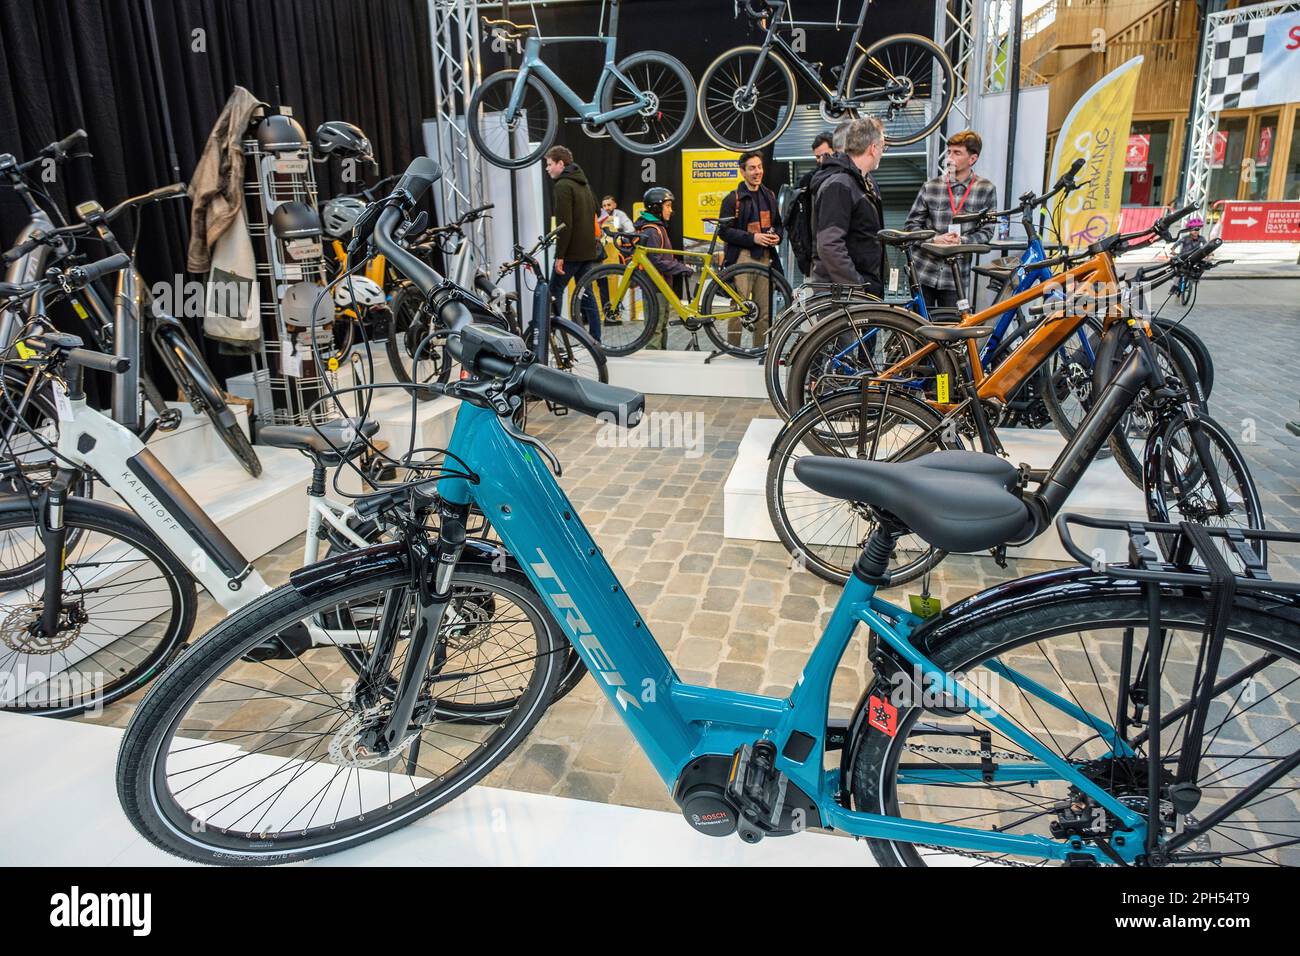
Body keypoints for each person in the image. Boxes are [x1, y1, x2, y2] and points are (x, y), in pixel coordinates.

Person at [904, 129, 998, 309]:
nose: (949, 158)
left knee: (953, 331)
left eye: (957, 153)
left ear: (972, 159)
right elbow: (910, 226)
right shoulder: (931, 187)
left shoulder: (986, 189)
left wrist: (961, 241)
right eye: (948, 152)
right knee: (919, 330)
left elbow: (987, 232)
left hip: (956, 276)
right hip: (924, 271)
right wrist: (934, 239)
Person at [809, 117, 886, 295]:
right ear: (873, 149)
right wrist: (858, 286)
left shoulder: (861, 181)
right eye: (882, 146)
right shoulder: (840, 184)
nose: (883, 152)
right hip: (843, 296)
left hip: (855, 290)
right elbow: (829, 245)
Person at [718, 150, 783, 348]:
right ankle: (734, 349)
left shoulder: (770, 196)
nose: (757, 172)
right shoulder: (732, 199)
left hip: (765, 258)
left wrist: (777, 236)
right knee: (738, 309)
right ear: (742, 172)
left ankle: (759, 350)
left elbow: (778, 223)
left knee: (764, 312)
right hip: (741, 258)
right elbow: (724, 232)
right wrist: (753, 238)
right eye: (752, 168)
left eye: (759, 167)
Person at [544, 145, 603, 337]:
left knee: (554, 291)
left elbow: (564, 224)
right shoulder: (583, 183)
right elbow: (597, 210)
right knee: (586, 293)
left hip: (572, 252)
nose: (548, 168)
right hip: (588, 250)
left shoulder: (563, 186)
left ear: (561, 164)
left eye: (550, 164)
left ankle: (550, 335)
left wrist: (560, 255)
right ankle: (596, 339)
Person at [634, 186, 694, 349]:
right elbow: (656, 262)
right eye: (667, 206)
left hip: (661, 286)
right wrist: (680, 267)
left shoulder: (658, 228)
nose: (671, 210)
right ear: (656, 207)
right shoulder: (652, 231)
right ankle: (653, 360)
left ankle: (661, 355)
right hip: (654, 287)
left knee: (661, 326)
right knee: (654, 329)